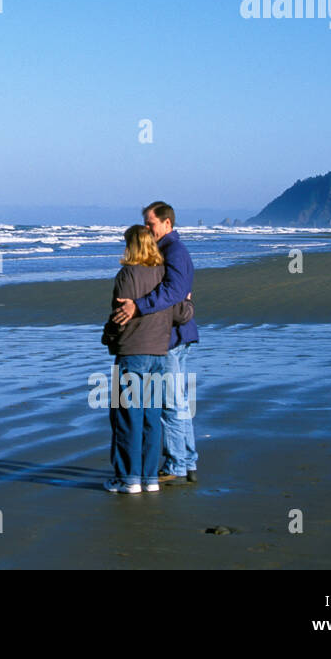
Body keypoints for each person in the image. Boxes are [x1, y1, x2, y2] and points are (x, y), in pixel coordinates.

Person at [112, 201, 201, 485]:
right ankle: (185, 460)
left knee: (171, 403)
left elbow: (174, 292)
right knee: (174, 402)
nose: (148, 230)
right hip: (171, 334)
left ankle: (178, 463)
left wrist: (137, 306)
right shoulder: (165, 253)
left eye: (151, 224)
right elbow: (179, 298)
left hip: (171, 337)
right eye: (146, 225)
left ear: (167, 223)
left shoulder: (173, 251)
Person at [100, 225, 176, 494]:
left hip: (133, 351)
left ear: (131, 245)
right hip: (158, 351)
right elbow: (180, 313)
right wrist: (187, 303)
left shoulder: (127, 274)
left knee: (127, 417)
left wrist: (108, 336)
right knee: (151, 418)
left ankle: (128, 478)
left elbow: (119, 316)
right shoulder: (166, 275)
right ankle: (149, 477)